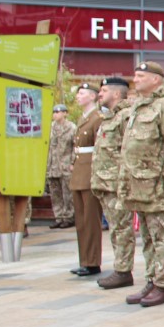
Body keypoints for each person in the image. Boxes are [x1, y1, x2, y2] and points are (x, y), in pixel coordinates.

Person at [119, 62, 164, 307]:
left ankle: (163, 285)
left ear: (156, 79)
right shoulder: (138, 106)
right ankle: (152, 280)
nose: (135, 79)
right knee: (147, 237)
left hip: (158, 186)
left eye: (141, 75)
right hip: (140, 186)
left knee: (163, 237)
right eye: (135, 75)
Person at [93, 78, 139, 291]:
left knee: (121, 228)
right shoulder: (109, 117)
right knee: (115, 228)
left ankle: (123, 271)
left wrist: (125, 181)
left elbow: (129, 151)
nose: (100, 94)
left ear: (116, 94)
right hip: (105, 183)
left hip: (117, 183)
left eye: (104, 90)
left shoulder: (125, 116)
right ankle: (120, 268)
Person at [69, 82, 104, 276]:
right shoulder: (83, 118)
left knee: (91, 220)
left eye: (82, 93)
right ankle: (85, 260)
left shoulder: (97, 118)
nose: (78, 96)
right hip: (79, 173)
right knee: (81, 220)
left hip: (90, 172)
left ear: (92, 96)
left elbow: (99, 148)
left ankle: (92, 261)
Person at [46, 104, 76, 229]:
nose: (55, 114)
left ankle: (69, 217)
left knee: (67, 193)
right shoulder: (50, 128)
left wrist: (73, 162)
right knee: (55, 193)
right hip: (52, 166)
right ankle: (58, 217)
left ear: (65, 113)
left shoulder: (71, 128)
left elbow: (75, 146)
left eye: (58, 112)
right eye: (54, 112)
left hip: (65, 165)